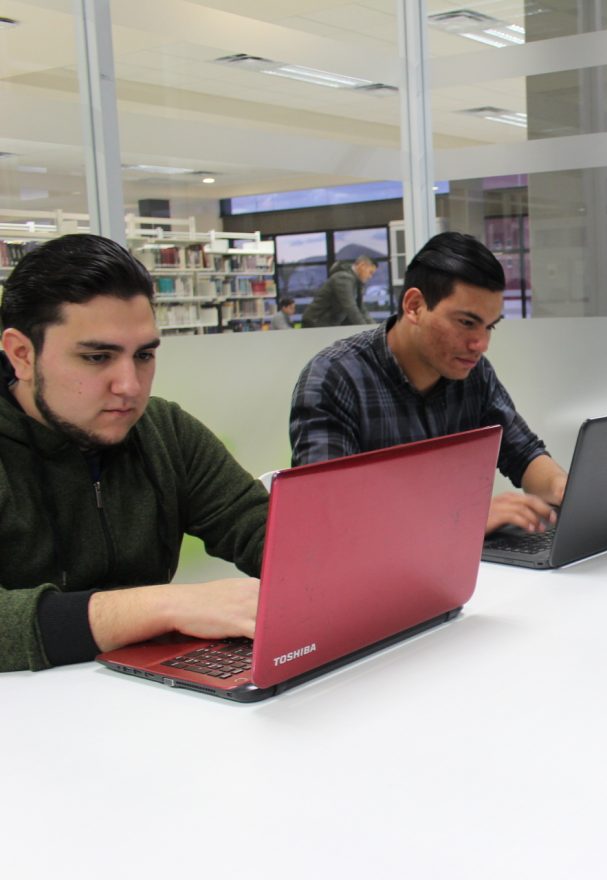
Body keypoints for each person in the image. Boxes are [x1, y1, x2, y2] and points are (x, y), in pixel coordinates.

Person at [0, 234, 269, 673]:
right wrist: (162, 605)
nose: (129, 386)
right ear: (21, 355)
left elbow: (263, 531)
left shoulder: (164, 431)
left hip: (144, 703)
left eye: (143, 355)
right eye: (96, 357)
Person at [290, 231, 567, 535]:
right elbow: (327, 514)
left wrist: (561, 487)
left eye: (490, 327)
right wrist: (463, 517)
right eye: (466, 323)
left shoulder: (472, 373)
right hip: (377, 573)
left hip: (466, 563)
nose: (481, 344)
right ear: (414, 306)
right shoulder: (335, 377)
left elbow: (522, 452)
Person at [300, 254, 377, 328]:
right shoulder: (343, 278)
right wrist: (365, 330)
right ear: (362, 265)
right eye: (370, 272)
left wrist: (375, 329)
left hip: (326, 324)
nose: (370, 276)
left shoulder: (354, 282)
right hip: (316, 323)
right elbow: (350, 307)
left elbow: (361, 309)